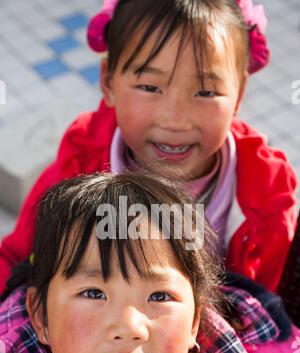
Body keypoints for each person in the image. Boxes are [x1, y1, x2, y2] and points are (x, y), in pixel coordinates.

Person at [0, 0, 297, 295]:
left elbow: (264, 306)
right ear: (108, 82)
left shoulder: (266, 194)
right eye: (150, 87)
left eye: (205, 92)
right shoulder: (78, 167)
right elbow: (15, 260)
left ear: (240, 93)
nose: (175, 120)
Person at [0, 172, 299, 353]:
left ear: (195, 321)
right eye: (93, 293)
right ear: (41, 316)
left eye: (159, 295)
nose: (129, 327)